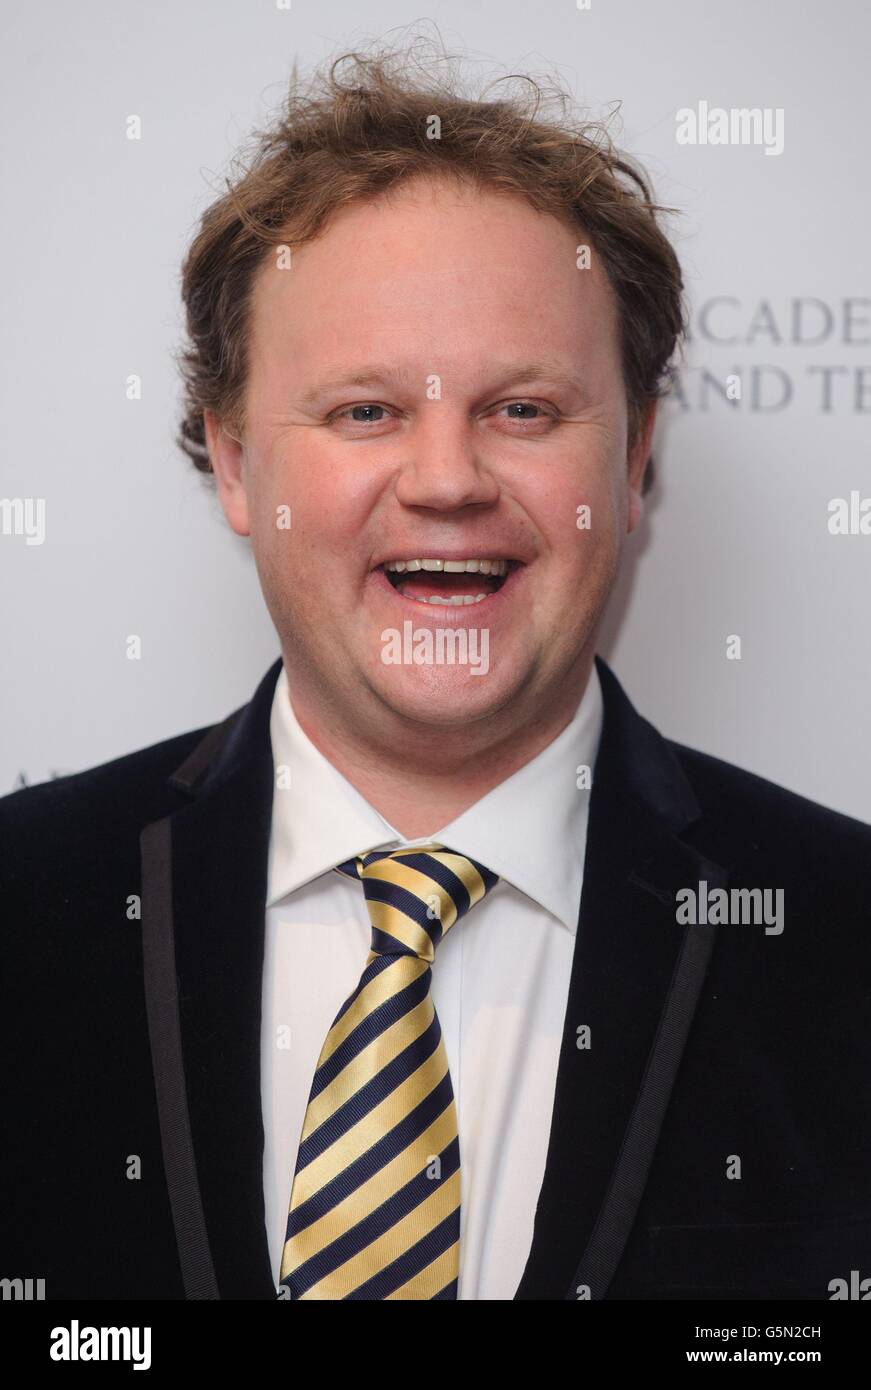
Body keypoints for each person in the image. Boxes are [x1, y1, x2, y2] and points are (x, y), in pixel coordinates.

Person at [2, 42, 869, 1302]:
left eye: (523, 409)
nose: (448, 479)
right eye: (364, 411)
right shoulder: (25, 909)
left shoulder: (845, 937)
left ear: (633, 466)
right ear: (238, 465)